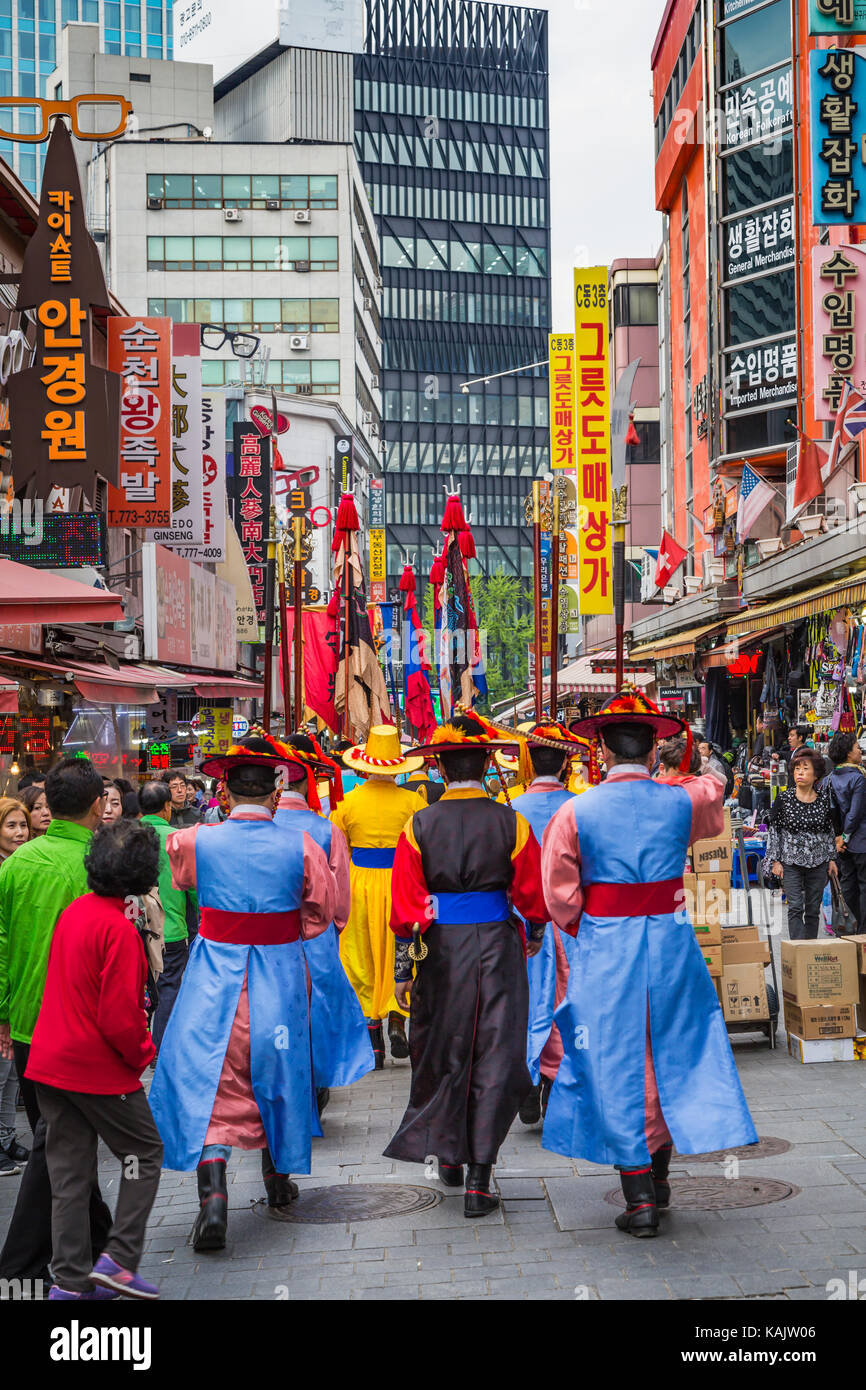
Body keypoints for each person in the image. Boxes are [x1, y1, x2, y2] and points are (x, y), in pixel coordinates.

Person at [540, 691, 757, 1238]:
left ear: (603, 751)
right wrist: (692, 765)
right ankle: (658, 1181)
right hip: (670, 942)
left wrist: (586, 927)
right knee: (670, 1050)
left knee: (615, 1057)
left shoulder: (575, 810)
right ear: (654, 749)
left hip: (607, 946)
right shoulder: (679, 801)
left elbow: (560, 897)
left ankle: (638, 1192)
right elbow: (714, 788)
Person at [148, 736, 335, 1252]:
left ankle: (213, 1196)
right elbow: (321, 913)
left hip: (213, 980)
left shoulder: (193, 841)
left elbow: (182, 882)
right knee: (279, 1074)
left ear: (225, 793)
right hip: (277, 977)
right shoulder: (302, 847)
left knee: (214, 1081)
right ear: (275, 793)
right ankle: (277, 1181)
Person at [386, 713, 548, 1217]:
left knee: (442, 1046)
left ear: (440, 767)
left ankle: (449, 1152)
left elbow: (404, 907)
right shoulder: (512, 822)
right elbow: (532, 895)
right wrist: (536, 931)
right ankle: (481, 1176)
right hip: (498, 948)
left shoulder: (418, 824)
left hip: (438, 950)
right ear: (484, 764)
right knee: (495, 1051)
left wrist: (402, 970)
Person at [26, 820, 163, 1301]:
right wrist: (145, 1054)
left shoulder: (76, 912)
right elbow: (119, 1020)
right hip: (97, 1070)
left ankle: (69, 1281)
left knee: (70, 1175)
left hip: (50, 1061)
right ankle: (120, 1259)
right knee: (142, 1153)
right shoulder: (121, 928)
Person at [0, 758, 113, 1286]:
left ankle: (99, 1238)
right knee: (57, 1140)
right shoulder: (96, 865)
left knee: (63, 1135)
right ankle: (21, 1262)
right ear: (96, 805)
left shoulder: (16, 864)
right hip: (76, 1027)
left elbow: (1, 946)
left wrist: (2, 1014)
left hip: (26, 1022)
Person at [276, 734, 374, 1113]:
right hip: (315, 936)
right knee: (317, 1009)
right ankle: (315, 1083)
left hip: (265, 938)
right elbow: (338, 897)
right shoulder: (324, 829)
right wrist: (333, 928)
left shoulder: (259, 828)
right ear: (307, 781)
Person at [330, 727, 425, 1067]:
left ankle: (374, 1038)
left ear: (365, 766)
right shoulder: (413, 801)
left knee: (362, 955)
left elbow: (337, 849)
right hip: (401, 881)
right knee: (398, 950)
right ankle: (398, 1018)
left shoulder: (347, 803)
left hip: (359, 884)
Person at [510, 724, 585, 1126]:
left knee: (525, 1000)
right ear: (563, 763)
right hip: (569, 922)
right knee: (565, 1000)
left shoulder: (512, 810)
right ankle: (556, 1080)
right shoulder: (578, 807)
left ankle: (527, 1076)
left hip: (524, 923)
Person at [139, 781, 197, 1053]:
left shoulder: (127, 836)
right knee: (168, 989)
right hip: (171, 930)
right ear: (166, 807)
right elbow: (195, 891)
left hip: (133, 930)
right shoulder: (177, 839)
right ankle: (159, 1047)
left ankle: (139, 1045)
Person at [767, 748, 838, 941]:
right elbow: (775, 831)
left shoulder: (823, 800)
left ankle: (810, 949)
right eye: (797, 768)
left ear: (816, 775)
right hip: (790, 862)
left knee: (813, 909)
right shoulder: (784, 799)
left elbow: (828, 832)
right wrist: (775, 861)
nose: (799, 772)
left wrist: (832, 859)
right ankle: (798, 950)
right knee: (796, 906)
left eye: (805, 768)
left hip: (819, 861)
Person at [0, 799, 30, 1177]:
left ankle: (6, 1136)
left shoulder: (19, 866)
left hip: (16, 979)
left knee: (10, 1070)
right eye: (11, 826)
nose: (20, 832)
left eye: (22, 825)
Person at [828, 731, 866, 929]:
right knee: (863, 887)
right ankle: (862, 931)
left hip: (842, 845)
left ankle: (848, 929)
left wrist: (838, 838)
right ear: (848, 753)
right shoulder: (858, 778)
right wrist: (845, 835)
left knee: (848, 886)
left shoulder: (831, 777)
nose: (860, 750)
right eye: (857, 747)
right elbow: (855, 813)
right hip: (859, 841)